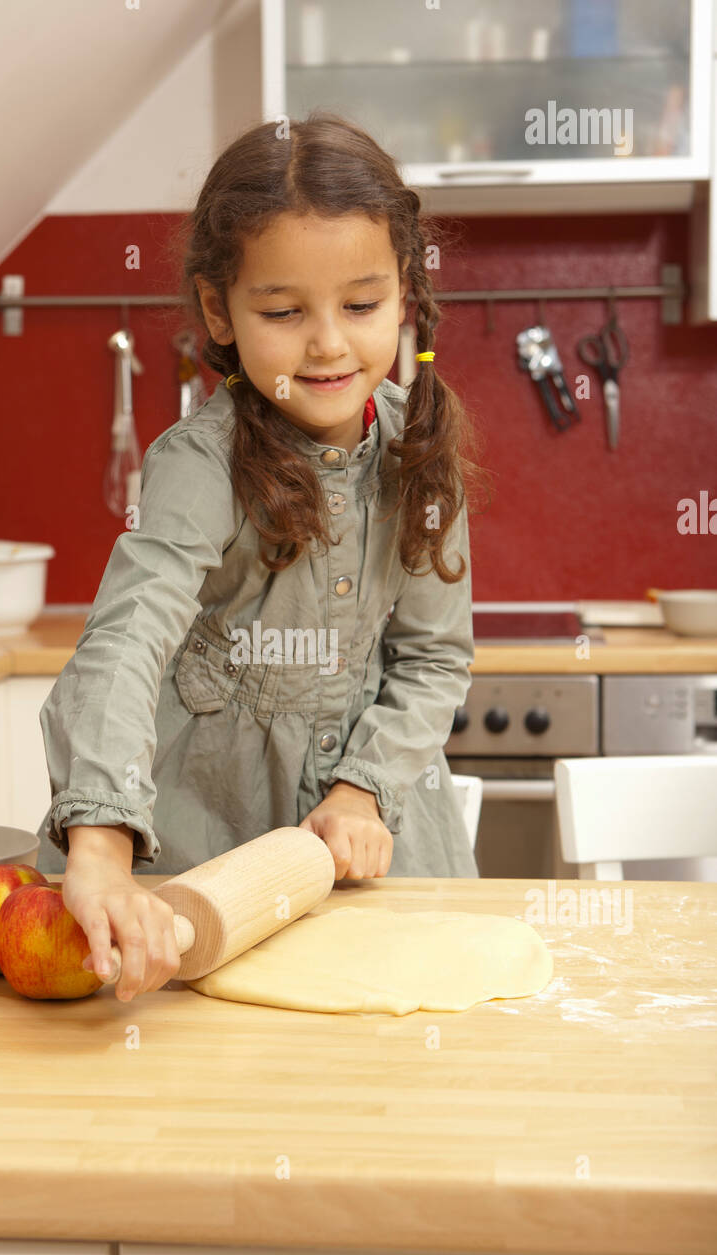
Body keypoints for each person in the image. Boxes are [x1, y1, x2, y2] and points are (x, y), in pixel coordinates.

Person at [36, 112, 491, 1003]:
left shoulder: (423, 455)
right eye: (283, 312)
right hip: (212, 841)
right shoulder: (197, 468)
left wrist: (365, 788)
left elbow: (434, 658)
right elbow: (127, 640)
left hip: (371, 848)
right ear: (220, 310)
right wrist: (99, 844)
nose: (327, 343)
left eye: (361, 306)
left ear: (407, 295)